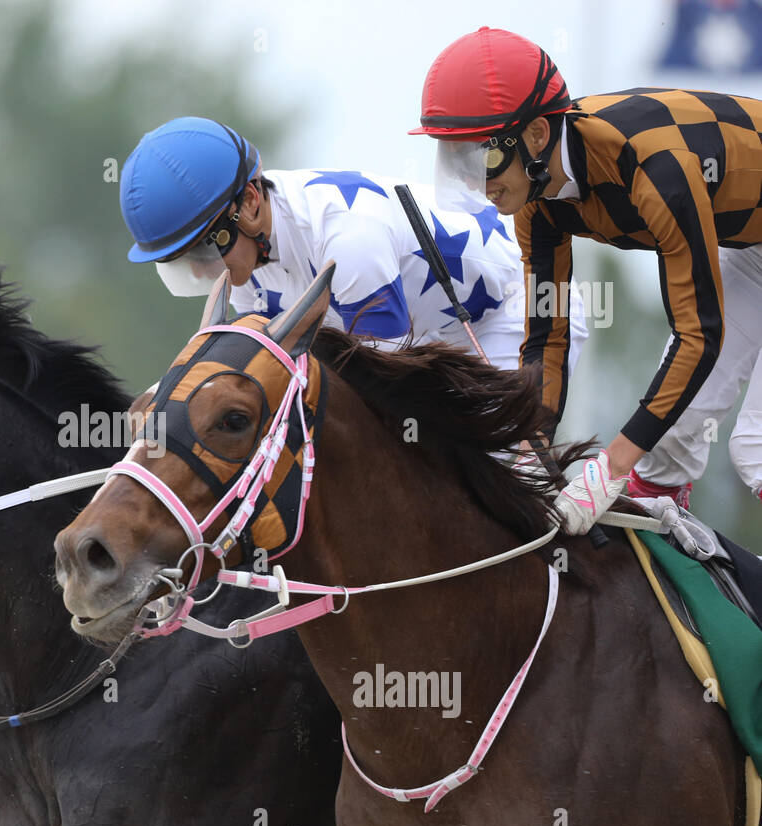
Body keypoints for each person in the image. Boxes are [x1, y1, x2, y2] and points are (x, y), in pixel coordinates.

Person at [412, 25, 762, 534]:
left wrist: (610, 466)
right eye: (457, 160)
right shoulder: (534, 204)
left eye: (481, 158)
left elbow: (700, 335)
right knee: (663, 455)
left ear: (536, 135)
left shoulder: (656, 170)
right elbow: (545, 340)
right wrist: (530, 446)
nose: (478, 185)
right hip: (750, 245)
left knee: (752, 446)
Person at [119, 116, 589, 384]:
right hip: (423, 339)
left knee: (478, 483)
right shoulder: (246, 256)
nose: (201, 275)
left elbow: (383, 389)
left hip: (516, 313)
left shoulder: (347, 238)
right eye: (180, 263)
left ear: (250, 202)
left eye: (201, 253)